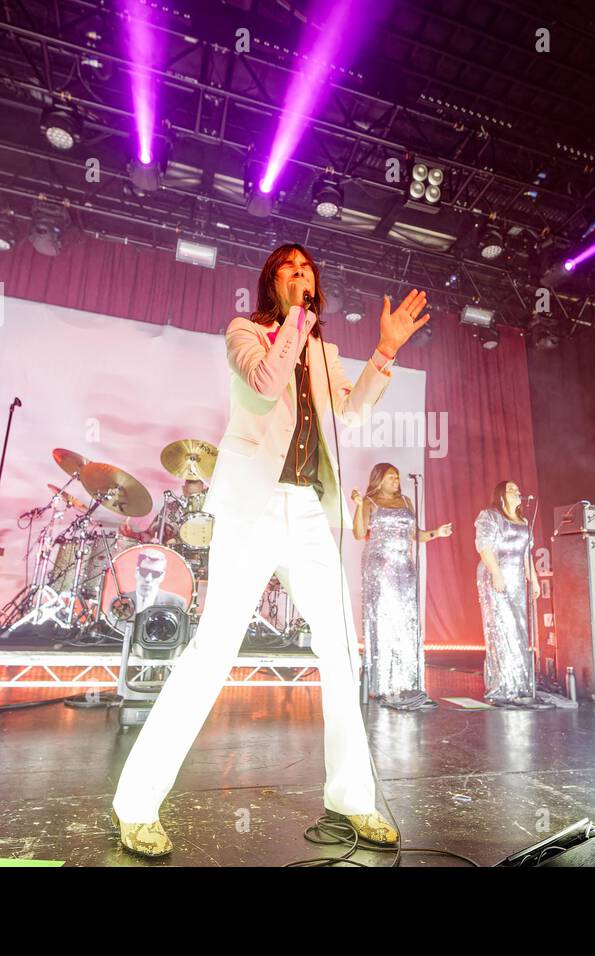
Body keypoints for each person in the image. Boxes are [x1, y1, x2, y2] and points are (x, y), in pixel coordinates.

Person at [109, 243, 429, 857]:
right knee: (212, 651)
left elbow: (351, 415)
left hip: (309, 507)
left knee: (340, 650)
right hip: (253, 505)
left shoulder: (323, 351)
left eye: (308, 270)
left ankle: (352, 798)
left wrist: (384, 352)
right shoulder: (246, 333)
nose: (300, 275)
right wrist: (294, 323)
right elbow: (264, 384)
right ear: (271, 283)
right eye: (289, 269)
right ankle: (137, 805)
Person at [350, 463, 452, 710]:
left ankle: (408, 682)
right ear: (379, 480)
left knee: (406, 621)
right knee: (384, 620)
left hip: (404, 566)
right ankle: (383, 685)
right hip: (379, 566)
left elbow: (413, 534)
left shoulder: (406, 501)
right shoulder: (370, 501)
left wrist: (436, 533)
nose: (396, 480)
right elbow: (358, 533)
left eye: (397, 476)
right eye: (391, 477)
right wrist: (359, 506)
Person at [474, 480, 549, 709]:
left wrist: (534, 580)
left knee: (518, 628)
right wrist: (496, 574)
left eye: (518, 489)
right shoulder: (490, 516)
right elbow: (484, 546)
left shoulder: (525, 522)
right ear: (501, 495)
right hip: (496, 576)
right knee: (502, 628)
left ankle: (520, 683)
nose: (517, 492)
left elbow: (527, 553)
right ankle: (503, 684)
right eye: (511, 489)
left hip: (517, 580)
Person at [119, 547, 188, 614]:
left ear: (162, 576)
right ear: (136, 572)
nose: (148, 579)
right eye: (144, 572)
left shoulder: (177, 603)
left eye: (156, 574)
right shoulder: (119, 601)